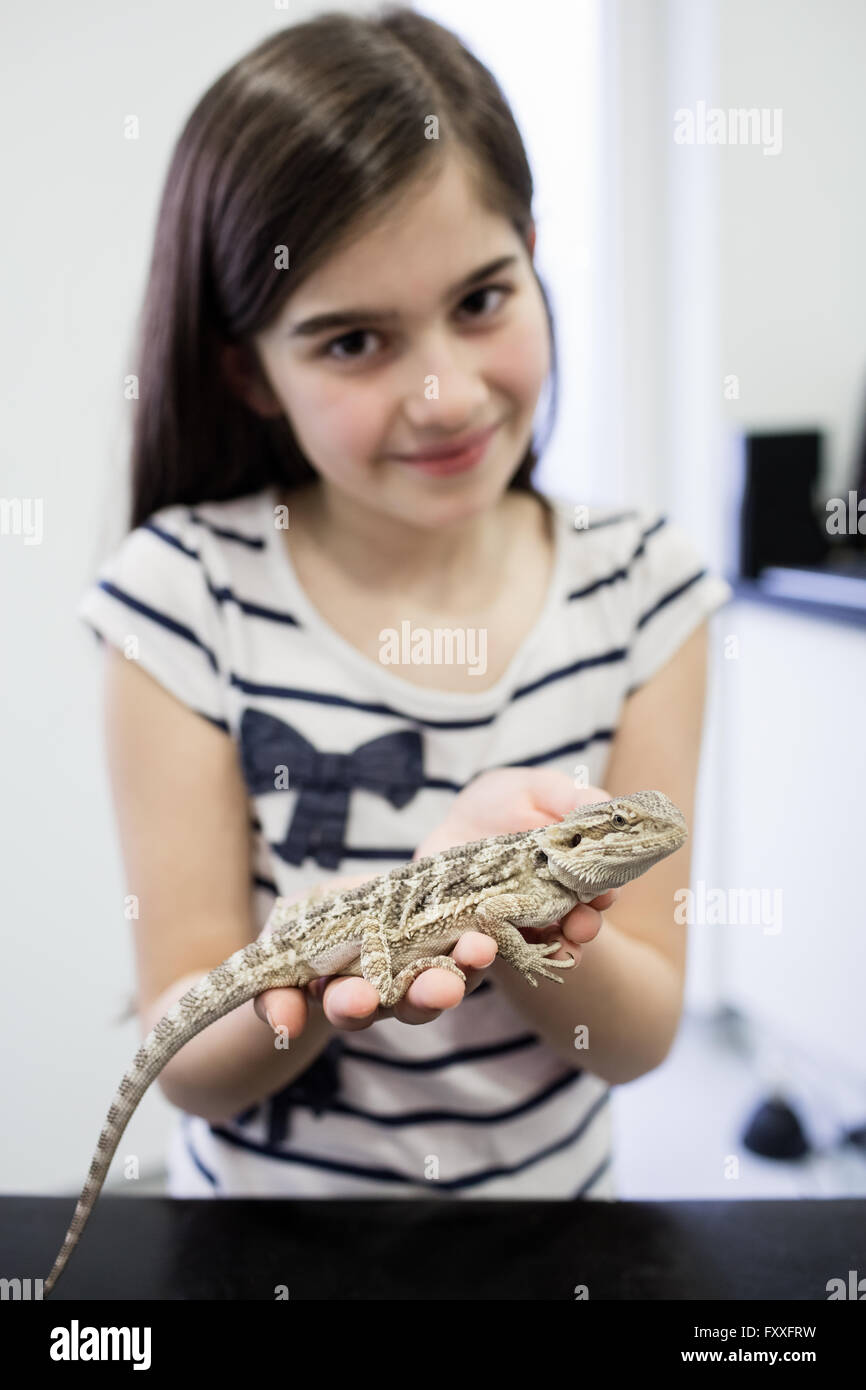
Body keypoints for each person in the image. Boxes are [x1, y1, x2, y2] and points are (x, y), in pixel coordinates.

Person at [77, 7, 732, 1203]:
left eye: (482, 299)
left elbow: (635, 1039)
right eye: (353, 341)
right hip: (262, 1235)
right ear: (247, 371)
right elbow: (182, 1053)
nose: (442, 397)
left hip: (549, 1232)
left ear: (533, 253)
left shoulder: (644, 585)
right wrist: (332, 966)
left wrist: (513, 932)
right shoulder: (182, 596)